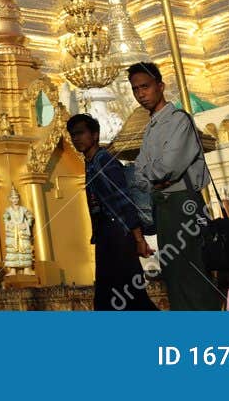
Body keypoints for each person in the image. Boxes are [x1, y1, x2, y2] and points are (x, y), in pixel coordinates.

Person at [128, 62, 222, 311]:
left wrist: (154, 173)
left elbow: (168, 167)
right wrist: (153, 175)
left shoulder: (179, 120)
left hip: (183, 203)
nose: (141, 94)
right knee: (174, 275)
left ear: (160, 86)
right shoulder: (150, 128)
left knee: (192, 273)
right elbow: (139, 175)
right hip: (163, 206)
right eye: (135, 89)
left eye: (145, 87)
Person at [67, 113, 156, 311]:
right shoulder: (90, 163)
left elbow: (123, 200)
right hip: (106, 237)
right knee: (111, 300)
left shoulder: (104, 160)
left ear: (95, 135)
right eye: (73, 135)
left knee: (130, 298)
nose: (76, 139)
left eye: (81, 133)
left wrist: (138, 239)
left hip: (119, 236)